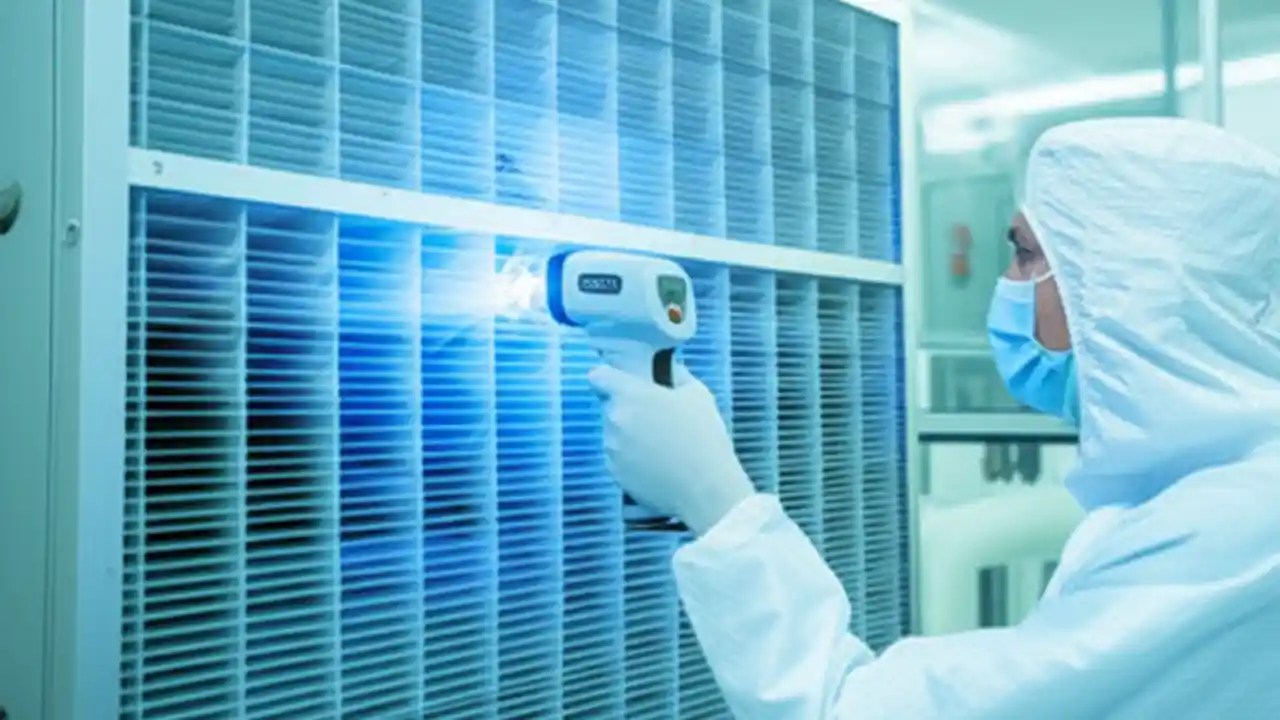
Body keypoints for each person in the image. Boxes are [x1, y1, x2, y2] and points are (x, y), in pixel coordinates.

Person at [588, 117, 1280, 718]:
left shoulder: (1231, 527)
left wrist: (719, 504)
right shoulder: (1215, 491)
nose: (1007, 284)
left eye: (1025, 253)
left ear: (1129, 292)